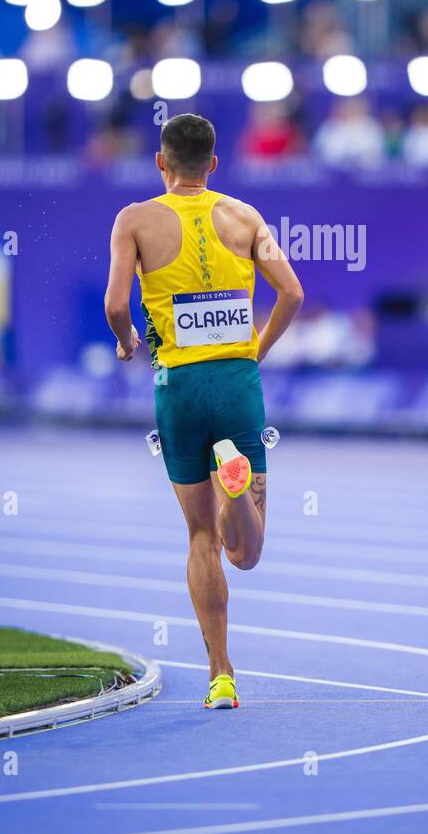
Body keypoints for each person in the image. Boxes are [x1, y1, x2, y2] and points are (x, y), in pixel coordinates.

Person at [104, 112, 304, 709]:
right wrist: (255, 351)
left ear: (160, 163)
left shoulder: (133, 220)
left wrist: (126, 340)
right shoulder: (245, 217)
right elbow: (292, 293)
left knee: (200, 537)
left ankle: (221, 674)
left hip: (179, 389)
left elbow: (117, 304)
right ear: (214, 164)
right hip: (238, 382)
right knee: (248, 552)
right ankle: (236, 490)